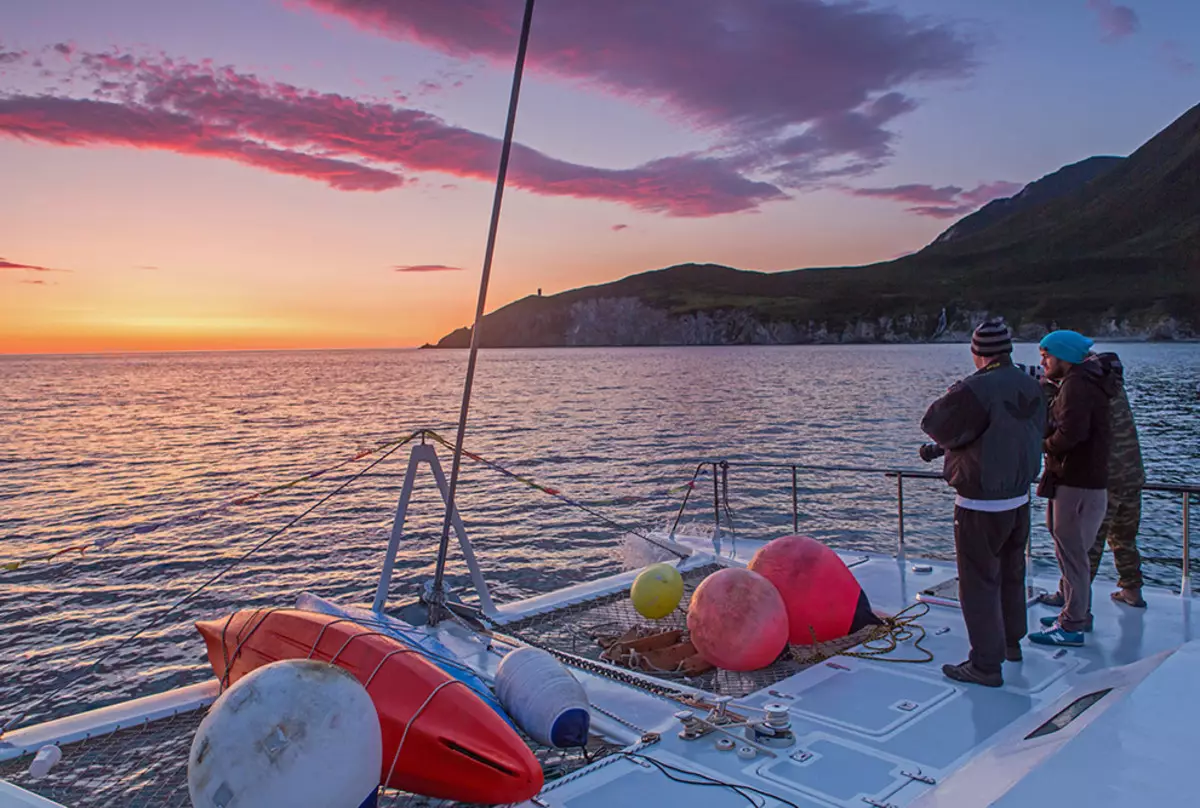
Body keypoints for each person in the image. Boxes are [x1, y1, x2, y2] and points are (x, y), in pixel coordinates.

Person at [920, 320, 1047, 687]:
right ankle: (1011, 644)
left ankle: (985, 666)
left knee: (978, 582)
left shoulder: (974, 388)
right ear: (1007, 351)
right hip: (1018, 500)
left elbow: (934, 423)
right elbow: (1043, 429)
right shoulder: (1032, 384)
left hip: (980, 504)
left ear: (977, 353)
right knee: (1011, 573)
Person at [1037, 351, 1146, 609]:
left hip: (1101, 476)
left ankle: (1073, 603)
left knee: (1086, 544)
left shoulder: (1082, 390)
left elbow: (1062, 425)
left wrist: (1047, 391)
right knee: (1124, 537)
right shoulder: (1111, 385)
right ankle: (1132, 590)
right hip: (1131, 472)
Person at [1029, 330, 1113, 647]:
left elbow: (1071, 433)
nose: (1043, 362)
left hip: (1077, 484)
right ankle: (1073, 609)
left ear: (1063, 356)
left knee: (1073, 551)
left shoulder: (1077, 386)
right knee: (1067, 546)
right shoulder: (1082, 382)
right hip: (1078, 481)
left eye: (1047, 356)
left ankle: (1073, 623)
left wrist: (1041, 445)